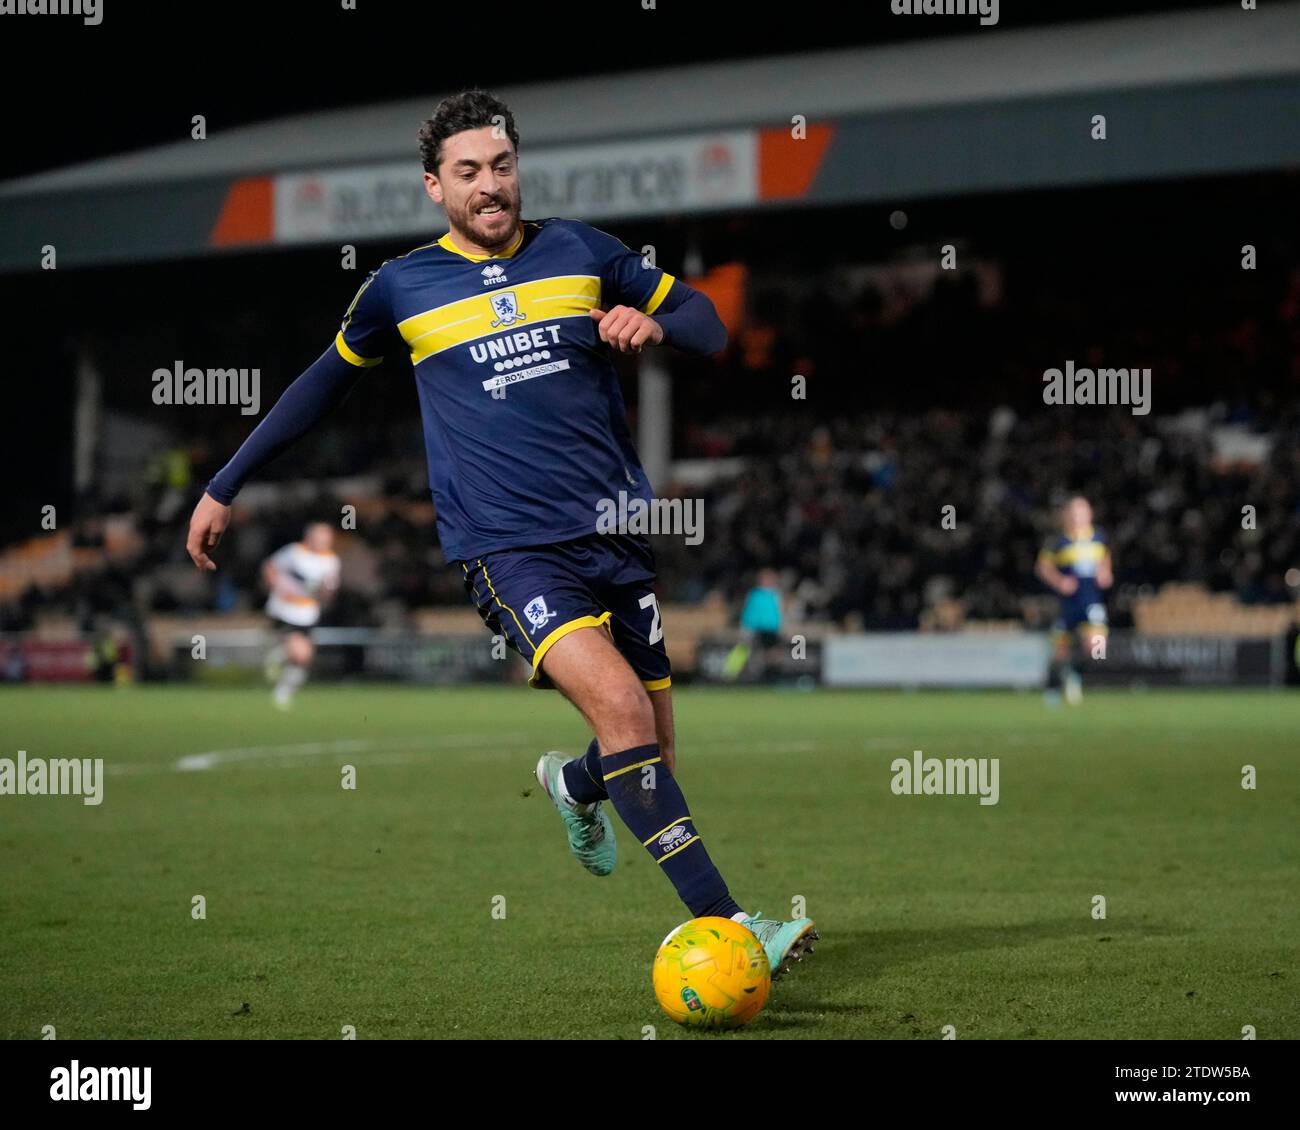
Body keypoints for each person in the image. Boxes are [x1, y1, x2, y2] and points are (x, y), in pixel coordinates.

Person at [185, 90, 817, 979]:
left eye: (503, 166)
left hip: (617, 535)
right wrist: (224, 484)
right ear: (435, 187)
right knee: (628, 715)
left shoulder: (583, 251)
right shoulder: (401, 287)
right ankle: (734, 929)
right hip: (506, 546)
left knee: (651, 754)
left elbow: (712, 322)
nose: (491, 186)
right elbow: (318, 388)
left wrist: (659, 320)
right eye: (470, 172)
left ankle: (574, 782)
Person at [1035, 496, 1112, 705]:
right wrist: (1059, 581)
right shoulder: (1058, 542)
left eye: (1082, 511)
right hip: (1067, 604)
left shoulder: (1098, 538)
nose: (1079, 516)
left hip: (1091, 601)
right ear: (1067, 516)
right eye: (1075, 512)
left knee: (1097, 649)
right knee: (1059, 651)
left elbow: (1105, 561)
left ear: (1089, 514)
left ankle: (1074, 674)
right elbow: (1043, 567)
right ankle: (1052, 688)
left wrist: (1105, 573)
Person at [262, 522, 340, 709]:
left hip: (307, 612)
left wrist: (325, 592)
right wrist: (278, 588)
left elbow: (329, 591)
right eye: (321, 537)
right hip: (285, 609)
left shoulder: (331, 560)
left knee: (305, 658)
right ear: (310, 537)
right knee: (301, 652)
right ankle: (280, 665)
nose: (325, 542)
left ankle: (281, 675)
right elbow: (270, 568)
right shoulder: (293, 552)